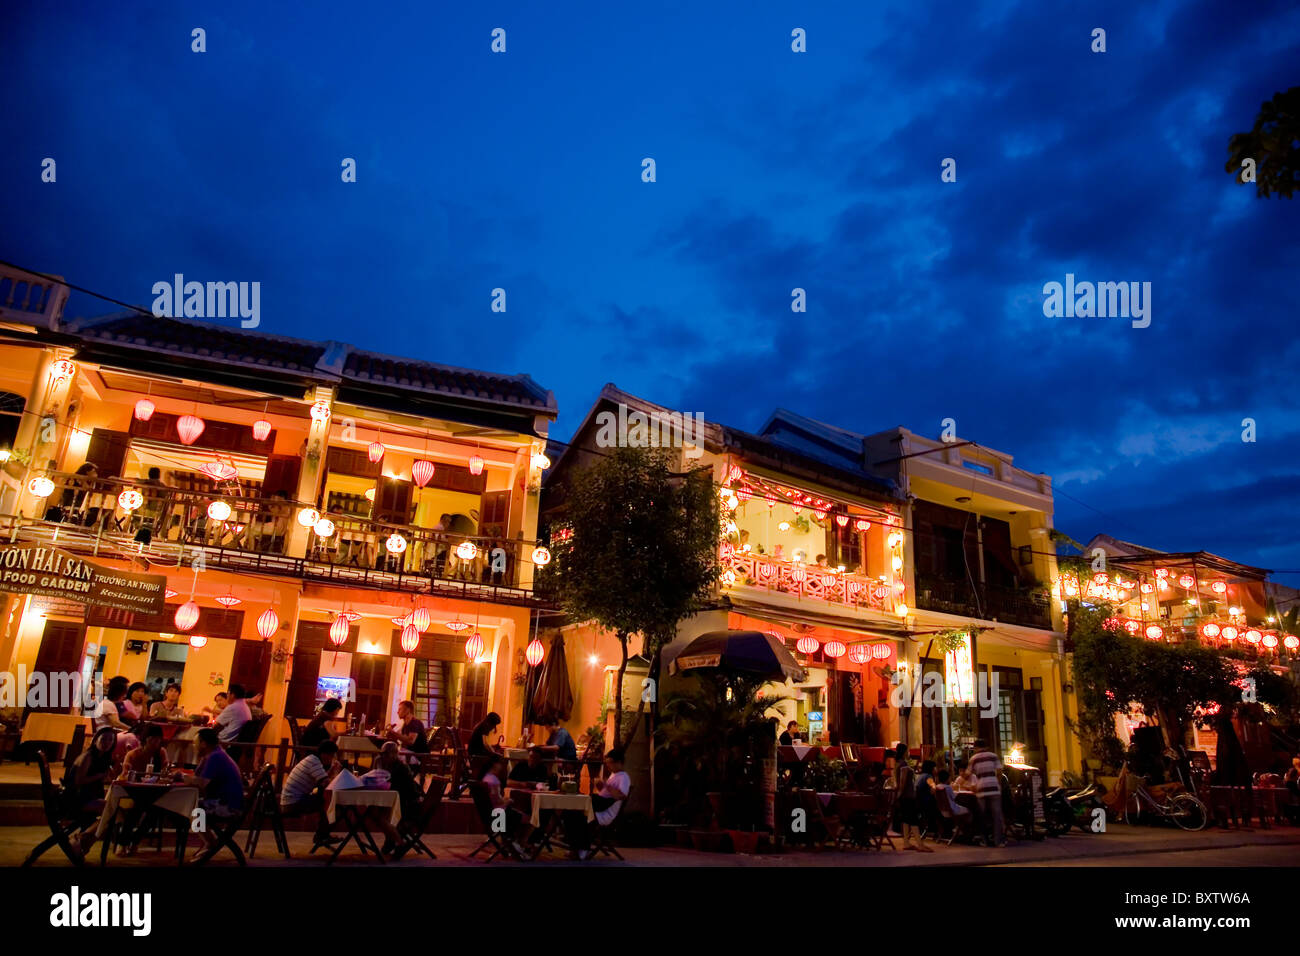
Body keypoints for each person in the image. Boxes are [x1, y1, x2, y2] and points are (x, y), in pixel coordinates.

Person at [177, 728, 245, 860]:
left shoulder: (216, 757)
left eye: (196, 743)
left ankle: (210, 843)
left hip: (229, 806)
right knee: (193, 806)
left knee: (193, 810)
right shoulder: (214, 755)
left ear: (204, 743)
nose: (194, 746)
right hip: (228, 802)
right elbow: (199, 776)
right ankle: (209, 843)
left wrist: (181, 777)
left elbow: (202, 782)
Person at [564, 748, 630, 860]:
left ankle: (583, 849)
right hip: (600, 805)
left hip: (605, 811)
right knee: (570, 813)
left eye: (610, 763)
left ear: (618, 763)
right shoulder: (613, 775)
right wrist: (601, 786)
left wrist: (607, 786)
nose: (608, 766)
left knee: (580, 815)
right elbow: (605, 793)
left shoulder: (624, 777)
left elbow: (621, 795)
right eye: (607, 763)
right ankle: (575, 848)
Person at [280, 740, 342, 847]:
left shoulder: (312, 760)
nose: (331, 759)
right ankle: (322, 836)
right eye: (331, 755)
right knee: (330, 802)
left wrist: (332, 770)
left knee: (325, 800)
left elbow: (323, 781)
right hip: (292, 803)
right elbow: (326, 784)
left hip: (291, 800)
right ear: (324, 754)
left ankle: (322, 835)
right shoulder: (314, 762)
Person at [64, 728, 119, 818]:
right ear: (95, 740)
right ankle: (91, 832)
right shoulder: (87, 756)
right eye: (103, 739)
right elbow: (79, 781)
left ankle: (90, 832)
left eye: (110, 740)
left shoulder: (102, 758)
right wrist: (100, 776)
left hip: (90, 796)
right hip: (77, 798)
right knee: (112, 809)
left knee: (116, 809)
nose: (107, 743)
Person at [481, 754, 530, 854]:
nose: (502, 766)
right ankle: (518, 843)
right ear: (495, 764)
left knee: (518, 813)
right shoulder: (494, 781)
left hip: (488, 814)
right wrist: (508, 800)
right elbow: (498, 801)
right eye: (500, 763)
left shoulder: (485, 778)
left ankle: (509, 841)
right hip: (498, 815)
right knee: (528, 819)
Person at [892, 743, 931, 852]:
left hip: (904, 795)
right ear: (904, 752)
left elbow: (897, 781)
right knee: (913, 819)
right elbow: (903, 781)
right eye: (907, 750)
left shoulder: (897, 764)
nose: (909, 752)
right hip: (907, 795)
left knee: (906, 819)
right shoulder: (904, 764)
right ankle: (920, 844)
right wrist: (899, 794)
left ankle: (906, 842)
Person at [969, 738, 1005, 847]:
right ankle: (998, 841)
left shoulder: (973, 758)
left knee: (982, 815)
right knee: (996, 815)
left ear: (976, 748)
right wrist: (997, 783)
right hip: (994, 787)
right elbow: (999, 772)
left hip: (981, 789)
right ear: (986, 746)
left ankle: (984, 840)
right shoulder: (993, 756)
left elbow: (967, 773)